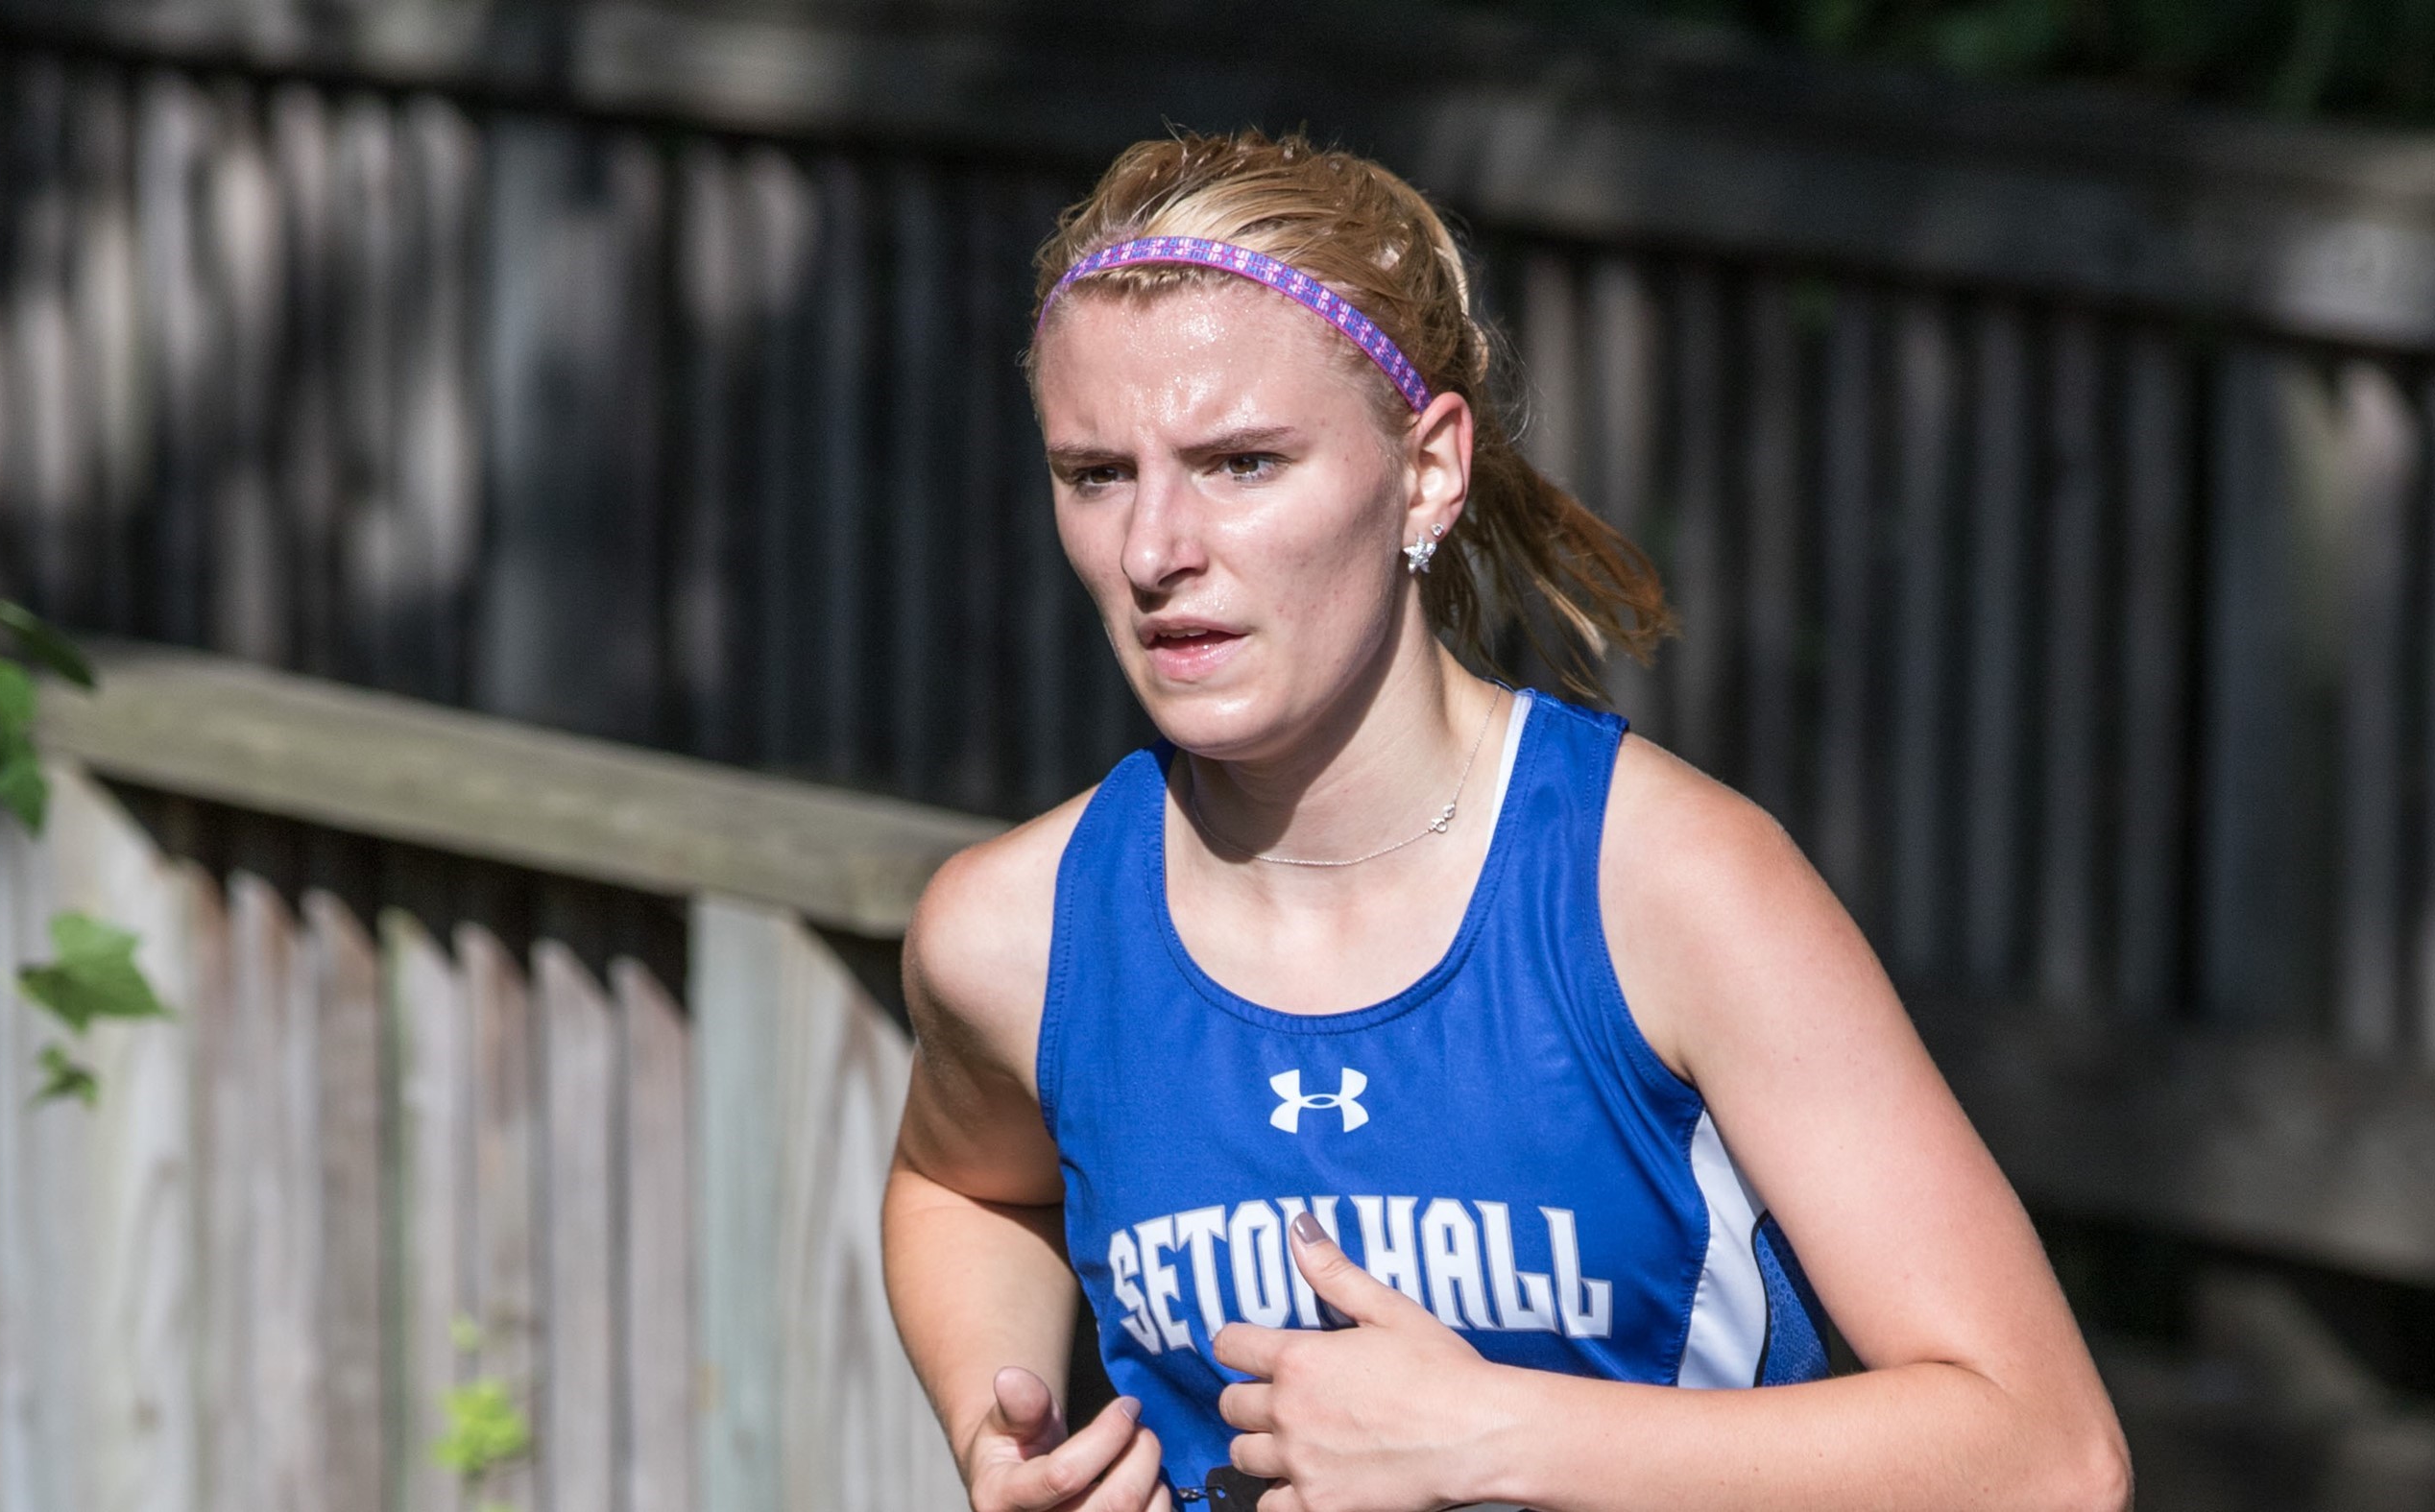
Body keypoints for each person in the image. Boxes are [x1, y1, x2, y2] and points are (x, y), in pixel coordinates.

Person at [882, 130, 2131, 1512]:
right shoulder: (1014, 932)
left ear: (1427, 472)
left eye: (1241, 463)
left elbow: (2047, 1457)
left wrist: (1499, 1439)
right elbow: (966, 1185)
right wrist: (1000, 1433)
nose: (1154, 550)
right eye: (1096, 473)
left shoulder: (1666, 889)